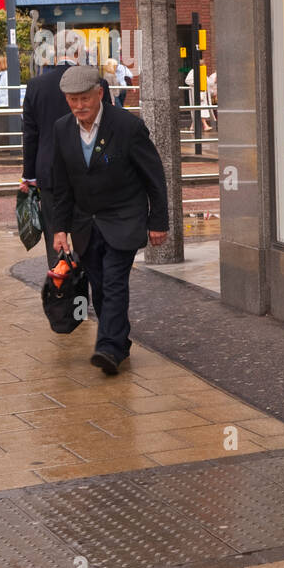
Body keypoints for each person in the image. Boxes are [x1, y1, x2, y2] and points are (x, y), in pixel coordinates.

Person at [50, 64, 169, 375]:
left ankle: (108, 348)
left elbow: (153, 176)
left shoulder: (127, 126)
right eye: (72, 100)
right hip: (86, 223)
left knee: (115, 282)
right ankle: (120, 341)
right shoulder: (62, 129)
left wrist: (159, 221)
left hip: (123, 217)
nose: (79, 106)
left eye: (84, 99)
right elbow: (60, 185)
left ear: (100, 93)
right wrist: (59, 228)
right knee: (100, 286)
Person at [21, 56, 111, 268]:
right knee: (86, 228)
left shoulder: (36, 84)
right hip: (87, 169)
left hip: (49, 170)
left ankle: (61, 281)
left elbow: (30, 133)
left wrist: (29, 175)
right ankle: (85, 274)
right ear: (78, 55)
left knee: (55, 231)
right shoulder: (97, 82)